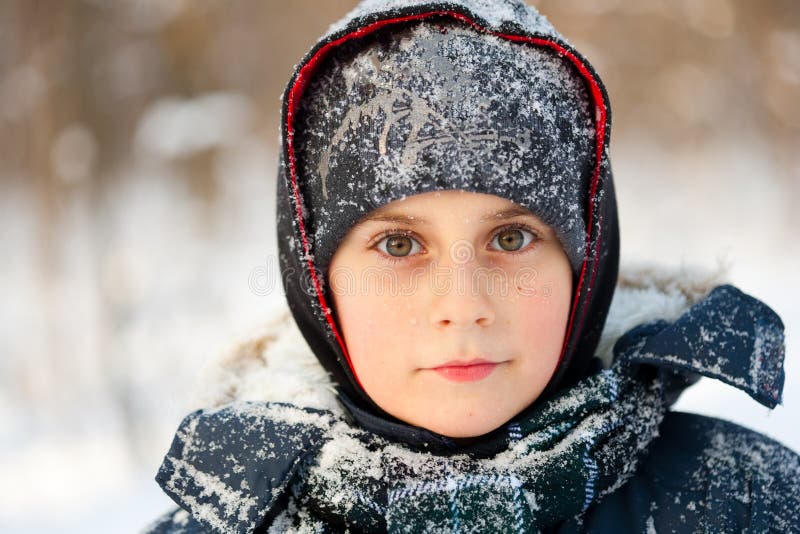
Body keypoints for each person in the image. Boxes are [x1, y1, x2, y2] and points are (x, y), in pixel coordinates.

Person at [146, 0, 800, 532]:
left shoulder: (742, 502)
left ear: (585, 268)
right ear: (318, 284)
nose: (462, 303)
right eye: (400, 246)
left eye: (512, 238)